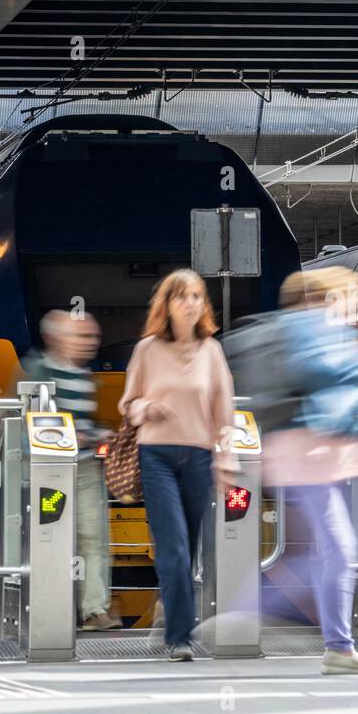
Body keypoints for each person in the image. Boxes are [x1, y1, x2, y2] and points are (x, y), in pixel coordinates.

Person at [261, 267, 358, 675]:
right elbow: (316, 373)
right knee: (338, 548)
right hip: (305, 457)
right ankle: (324, 641)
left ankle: (332, 643)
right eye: (357, 302)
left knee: (332, 549)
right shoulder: (308, 326)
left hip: (329, 458)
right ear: (334, 298)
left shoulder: (339, 335)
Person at [119, 270, 237, 660]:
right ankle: (180, 637)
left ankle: (168, 615)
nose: (191, 303)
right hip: (157, 457)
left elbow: (225, 410)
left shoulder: (211, 351)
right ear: (167, 305)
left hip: (199, 457)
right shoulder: (148, 349)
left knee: (189, 549)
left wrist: (227, 456)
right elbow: (128, 403)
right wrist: (146, 407)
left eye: (197, 296)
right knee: (173, 546)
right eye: (183, 297)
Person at [25, 310, 120, 632]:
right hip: (51, 474)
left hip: (87, 468)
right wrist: (85, 435)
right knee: (51, 535)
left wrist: (94, 436)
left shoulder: (84, 375)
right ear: (55, 338)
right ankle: (50, 604)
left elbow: (79, 426)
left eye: (92, 337)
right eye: (81, 337)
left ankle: (95, 609)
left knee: (93, 537)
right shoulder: (36, 371)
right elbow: (32, 423)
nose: (91, 344)